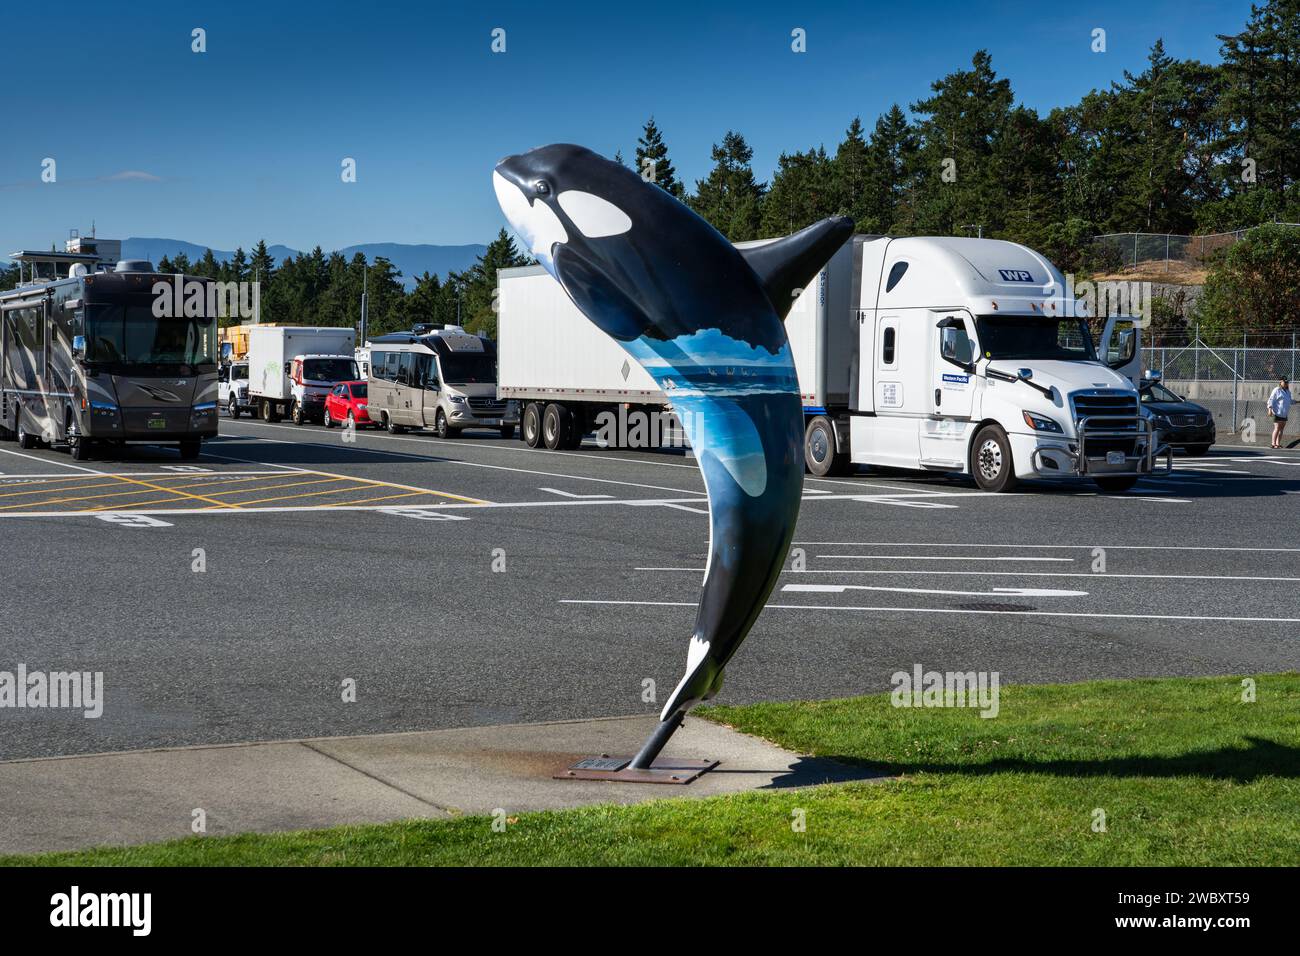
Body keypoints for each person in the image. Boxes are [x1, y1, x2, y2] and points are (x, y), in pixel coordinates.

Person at [1268, 378, 1293, 449]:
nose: (1285, 383)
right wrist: (1269, 409)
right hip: (1277, 413)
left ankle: (1278, 444)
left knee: (1281, 429)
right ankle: (1273, 444)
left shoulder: (1288, 391)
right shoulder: (1277, 390)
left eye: (1287, 382)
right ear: (1281, 382)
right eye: (1284, 382)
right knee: (1277, 428)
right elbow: (1271, 399)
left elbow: (1290, 401)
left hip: (1284, 414)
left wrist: (1297, 401)